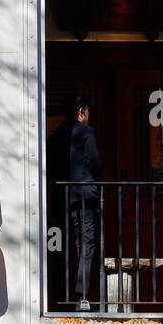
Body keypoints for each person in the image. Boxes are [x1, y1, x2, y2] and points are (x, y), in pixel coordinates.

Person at [64, 96, 102, 311]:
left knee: (77, 244)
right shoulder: (86, 132)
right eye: (87, 111)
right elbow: (95, 161)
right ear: (81, 112)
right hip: (86, 195)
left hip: (70, 197)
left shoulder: (61, 134)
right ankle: (83, 296)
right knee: (87, 244)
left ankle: (74, 295)